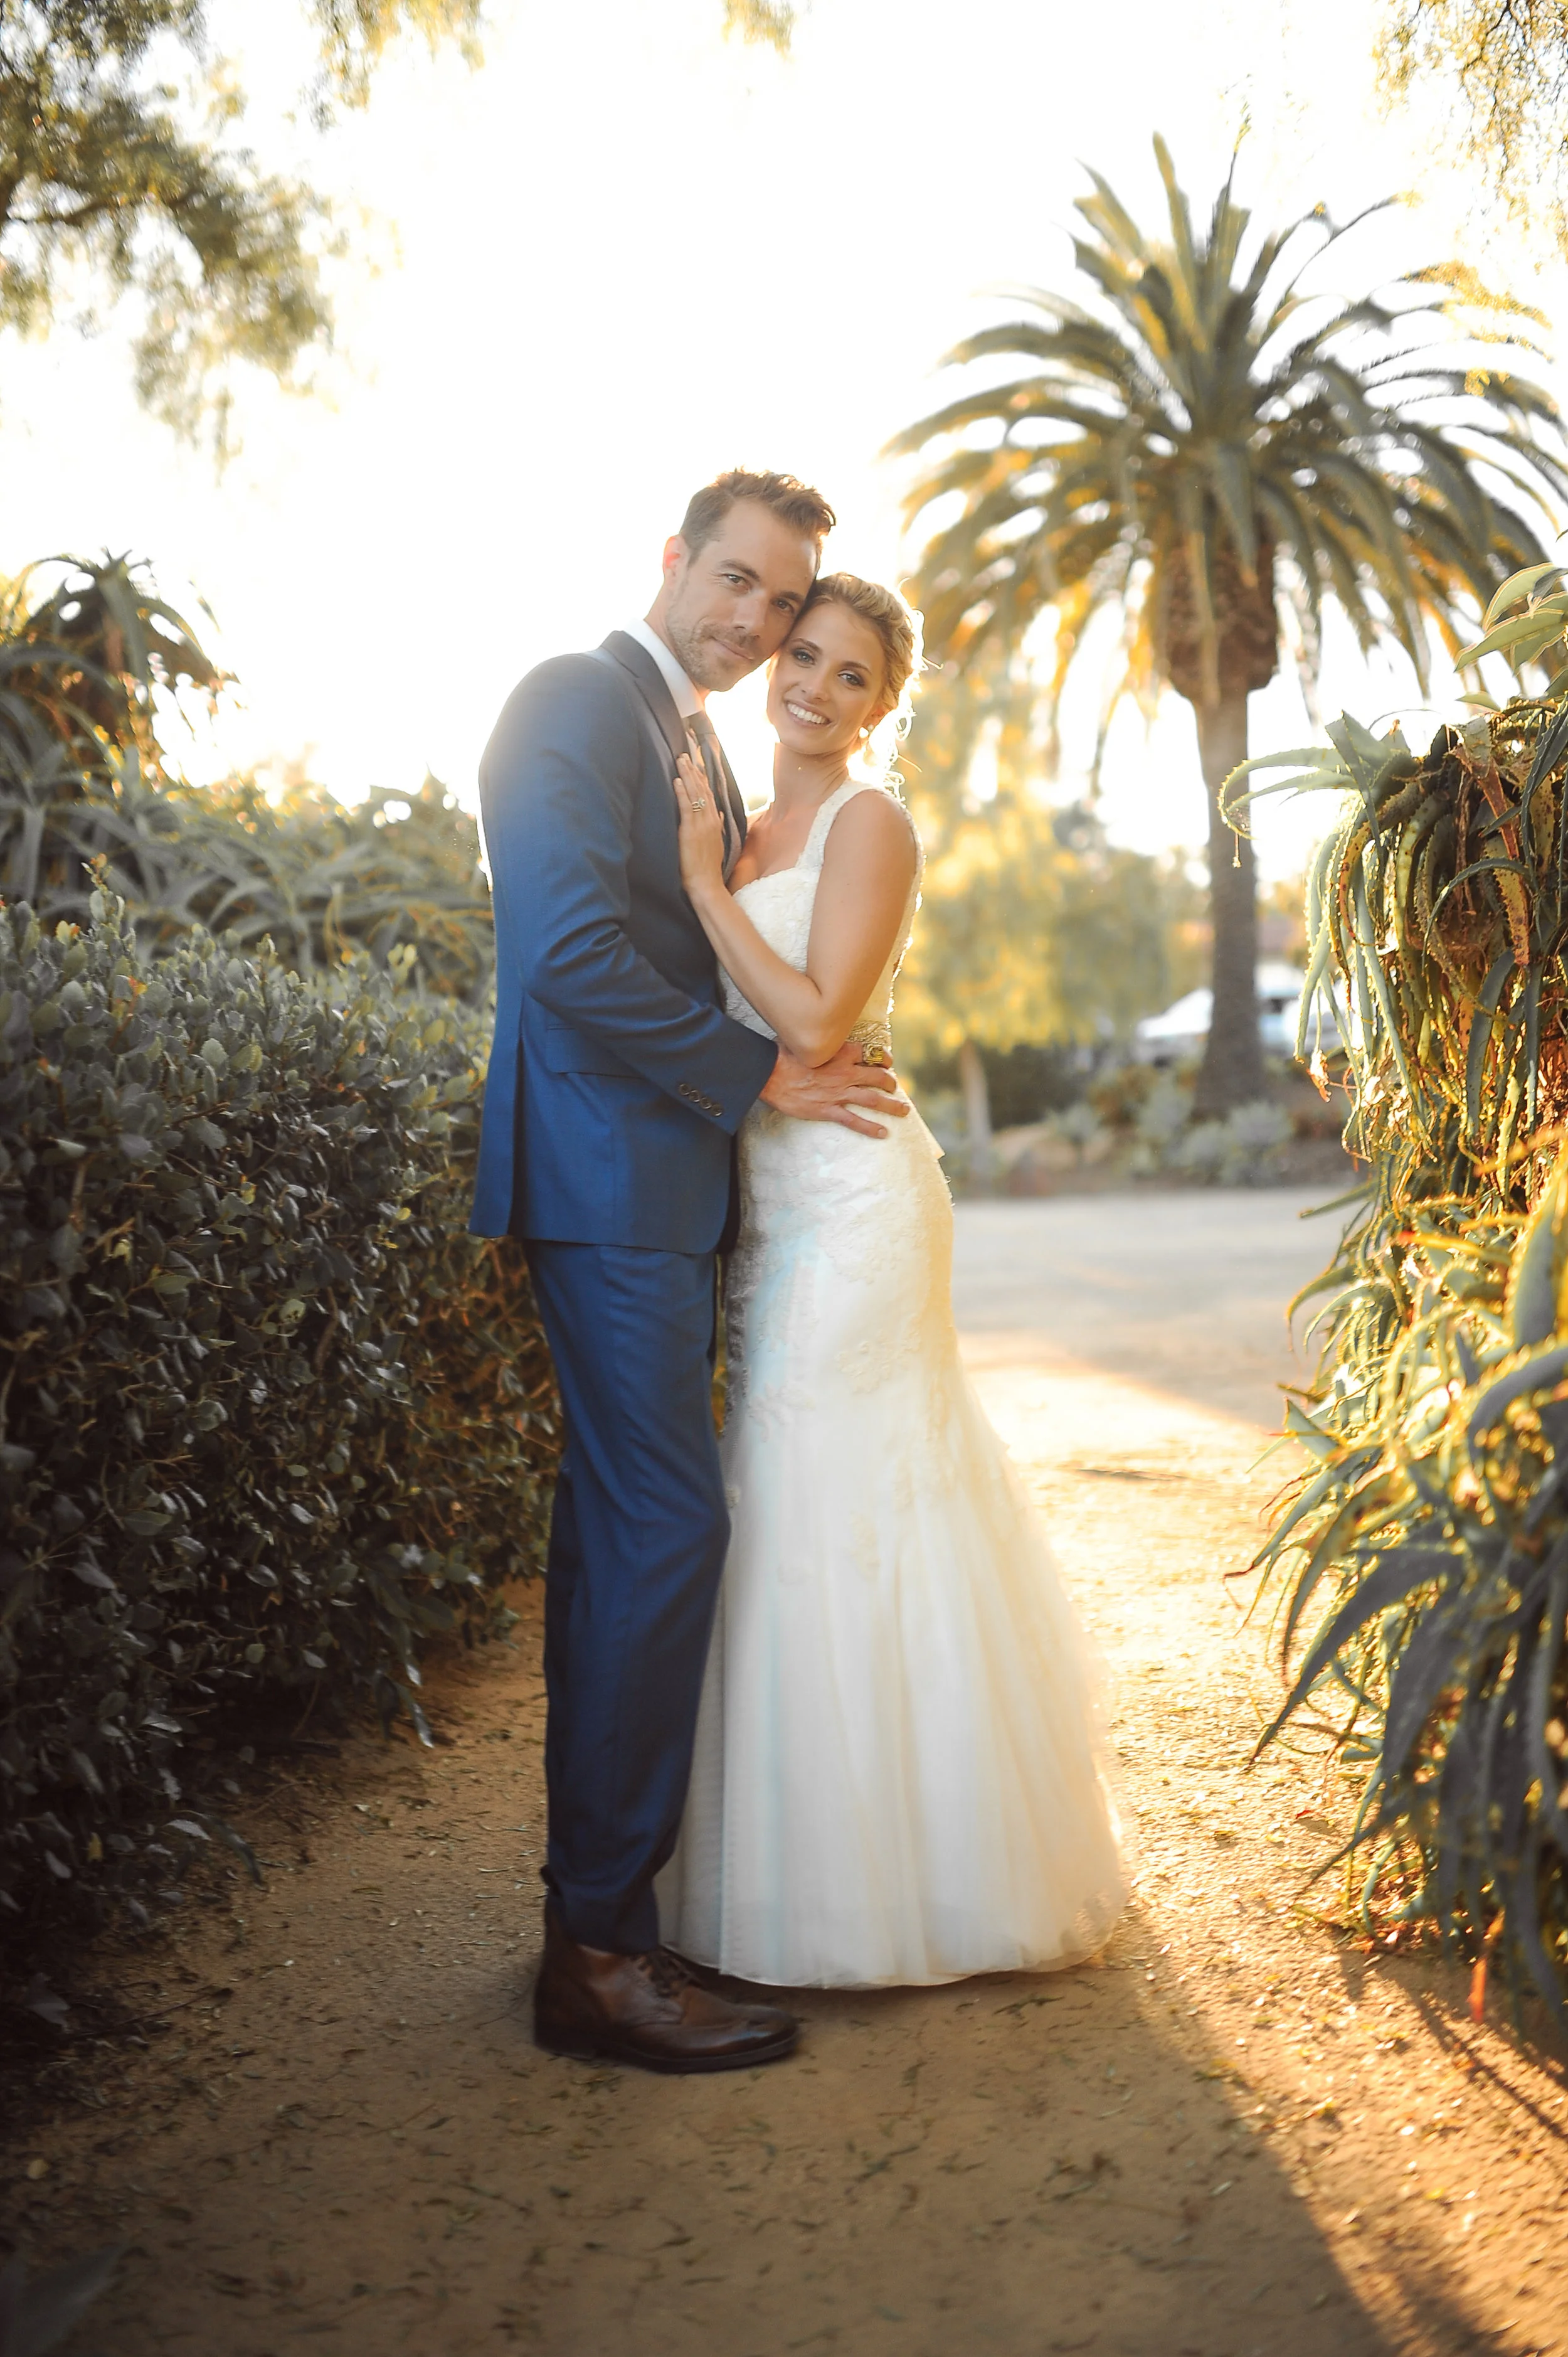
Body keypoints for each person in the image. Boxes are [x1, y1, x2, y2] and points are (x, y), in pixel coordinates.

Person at [470, 471, 909, 2073]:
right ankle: (599, 1954)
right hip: (604, 1177)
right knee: (665, 1524)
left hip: (660, 1188)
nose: (752, 620)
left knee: (619, 1534)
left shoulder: (701, 739)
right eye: (732, 580)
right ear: (672, 560)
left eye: (783, 603)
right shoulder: (573, 702)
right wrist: (758, 1084)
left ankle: (590, 1927)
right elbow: (568, 957)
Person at [655, 573, 1126, 1987]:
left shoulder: (872, 823)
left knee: (826, 1489)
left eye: (850, 675)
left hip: (857, 1199)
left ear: (881, 703)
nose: (812, 686)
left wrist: (694, 883)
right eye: (801, 655)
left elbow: (813, 1014)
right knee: (790, 1491)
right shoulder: (742, 813)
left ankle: (905, 1888)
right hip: (770, 1194)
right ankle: (799, 1880)